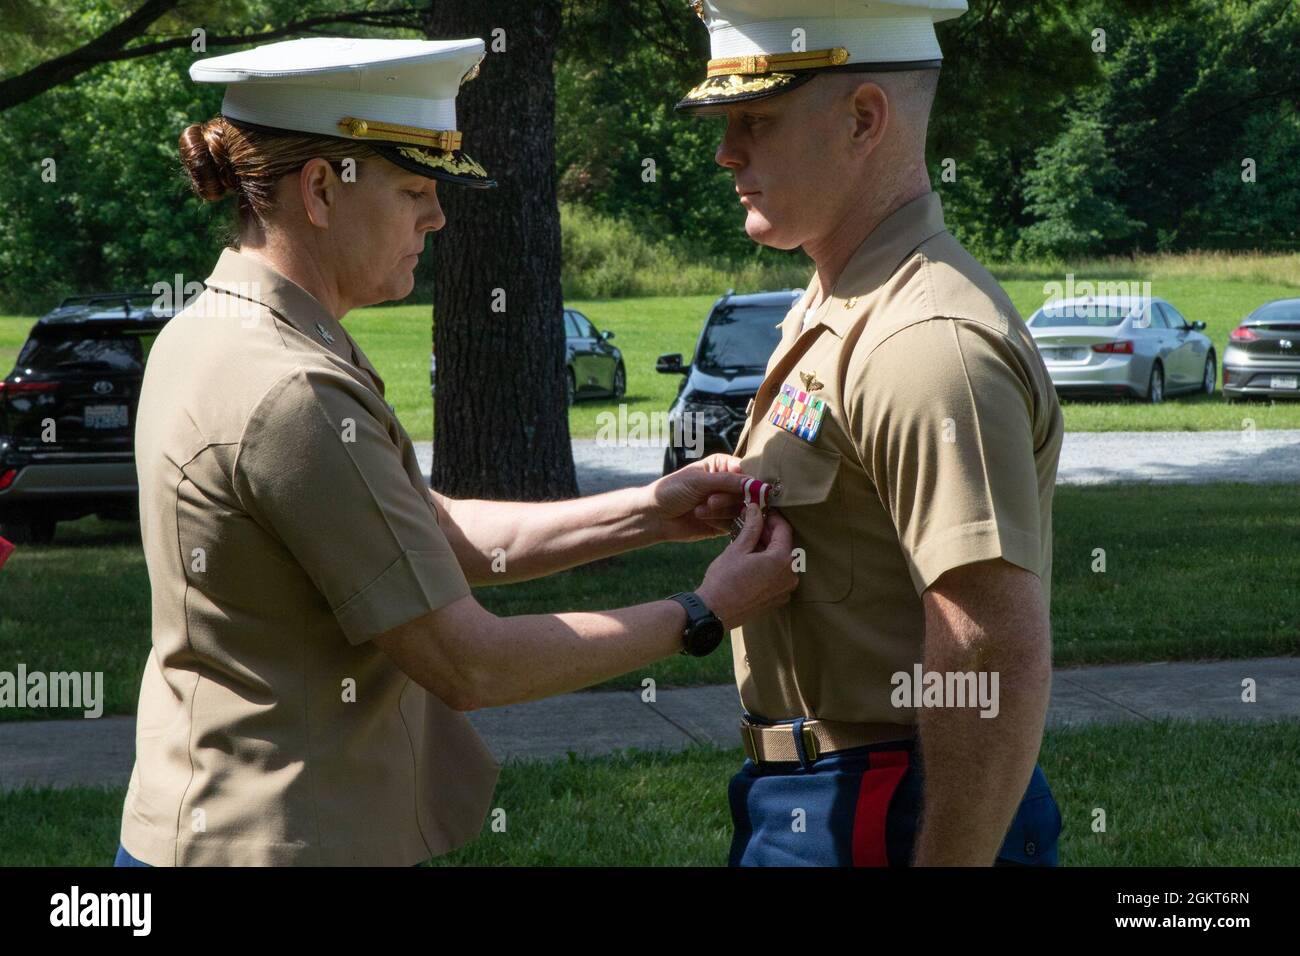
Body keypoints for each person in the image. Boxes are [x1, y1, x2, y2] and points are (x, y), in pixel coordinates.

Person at [115, 35, 797, 867]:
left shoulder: (223, 330)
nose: (436, 216)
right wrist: (700, 614)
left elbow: (429, 538)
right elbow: (469, 663)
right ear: (322, 190)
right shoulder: (291, 387)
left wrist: (648, 513)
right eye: (412, 189)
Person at [675, 1, 1066, 866]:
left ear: (863, 119)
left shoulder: (925, 342)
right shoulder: (843, 298)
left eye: (756, 120)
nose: (725, 151)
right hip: (821, 795)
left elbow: (988, 652)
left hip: (892, 807)